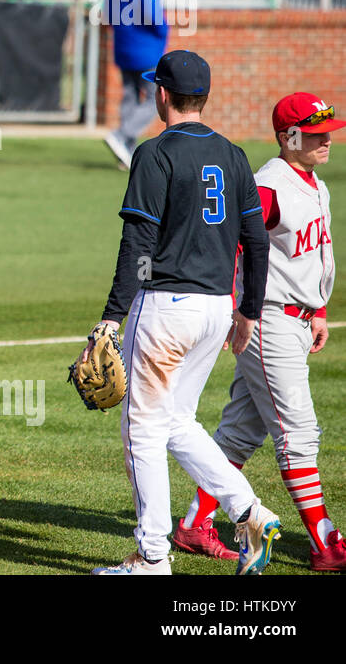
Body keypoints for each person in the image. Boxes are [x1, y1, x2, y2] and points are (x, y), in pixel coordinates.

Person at [86, 49, 281, 575]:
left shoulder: (154, 153)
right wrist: (248, 311)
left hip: (165, 311)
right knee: (176, 421)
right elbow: (256, 241)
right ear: (205, 96)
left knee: (142, 431)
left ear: (163, 95)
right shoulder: (234, 154)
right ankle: (250, 512)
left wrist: (111, 315)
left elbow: (139, 242)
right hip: (216, 310)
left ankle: (152, 556)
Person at [174, 92, 346, 572]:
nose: (327, 139)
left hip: (294, 318)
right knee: (298, 432)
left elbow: (312, 255)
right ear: (288, 137)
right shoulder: (269, 186)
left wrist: (319, 308)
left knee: (240, 431)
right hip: (267, 319)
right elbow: (232, 245)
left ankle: (194, 524)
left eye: (327, 130)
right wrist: (238, 310)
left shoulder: (313, 182)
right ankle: (326, 544)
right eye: (314, 132)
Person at [103, 0, 168, 169]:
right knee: (154, 98)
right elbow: (153, 9)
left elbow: (108, 9)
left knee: (130, 95)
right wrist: (163, 30)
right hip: (146, 45)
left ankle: (124, 152)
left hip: (123, 43)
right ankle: (121, 136)